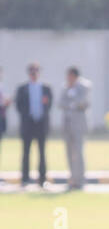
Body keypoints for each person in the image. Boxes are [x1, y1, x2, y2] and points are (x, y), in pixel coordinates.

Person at [15, 61, 51, 189]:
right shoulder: (22, 88)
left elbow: (49, 106)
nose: (34, 74)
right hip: (28, 124)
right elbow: (19, 106)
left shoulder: (46, 88)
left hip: (41, 124)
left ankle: (42, 179)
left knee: (42, 153)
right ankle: (25, 178)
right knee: (26, 152)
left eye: (36, 71)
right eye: (32, 71)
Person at [58, 65, 91, 191]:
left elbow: (83, 102)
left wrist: (70, 104)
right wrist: (72, 104)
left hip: (79, 125)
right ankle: (72, 178)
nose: (68, 78)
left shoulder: (84, 86)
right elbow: (60, 103)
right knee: (69, 152)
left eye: (70, 76)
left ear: (75, 76)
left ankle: (80, 179)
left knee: (78, 152)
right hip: (67, 125)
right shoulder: (65, 87)